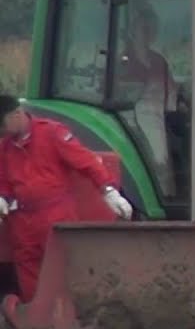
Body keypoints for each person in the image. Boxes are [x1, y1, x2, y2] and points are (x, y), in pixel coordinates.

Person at [0, 96, 133, 302]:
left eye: (3, 125)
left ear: (16, 114)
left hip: (55, 216)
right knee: (29, 272)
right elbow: (4, 180)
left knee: (64, 269)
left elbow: (86, 161)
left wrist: (108, 190)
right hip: (22, 221)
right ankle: (38, 325)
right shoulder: (5, 147)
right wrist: (3, 199)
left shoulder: (51, 133)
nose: (3, 132)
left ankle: (69, 318)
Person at [117, 1, 179, 196]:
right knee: (157, 160)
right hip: (132, 121)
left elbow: (171, 100)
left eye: (152, 28)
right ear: (134, 31)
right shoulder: (123, 62)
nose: (149, 32)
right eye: (144, 28)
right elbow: (127, 91)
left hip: (158, 118)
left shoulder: (159, 61)